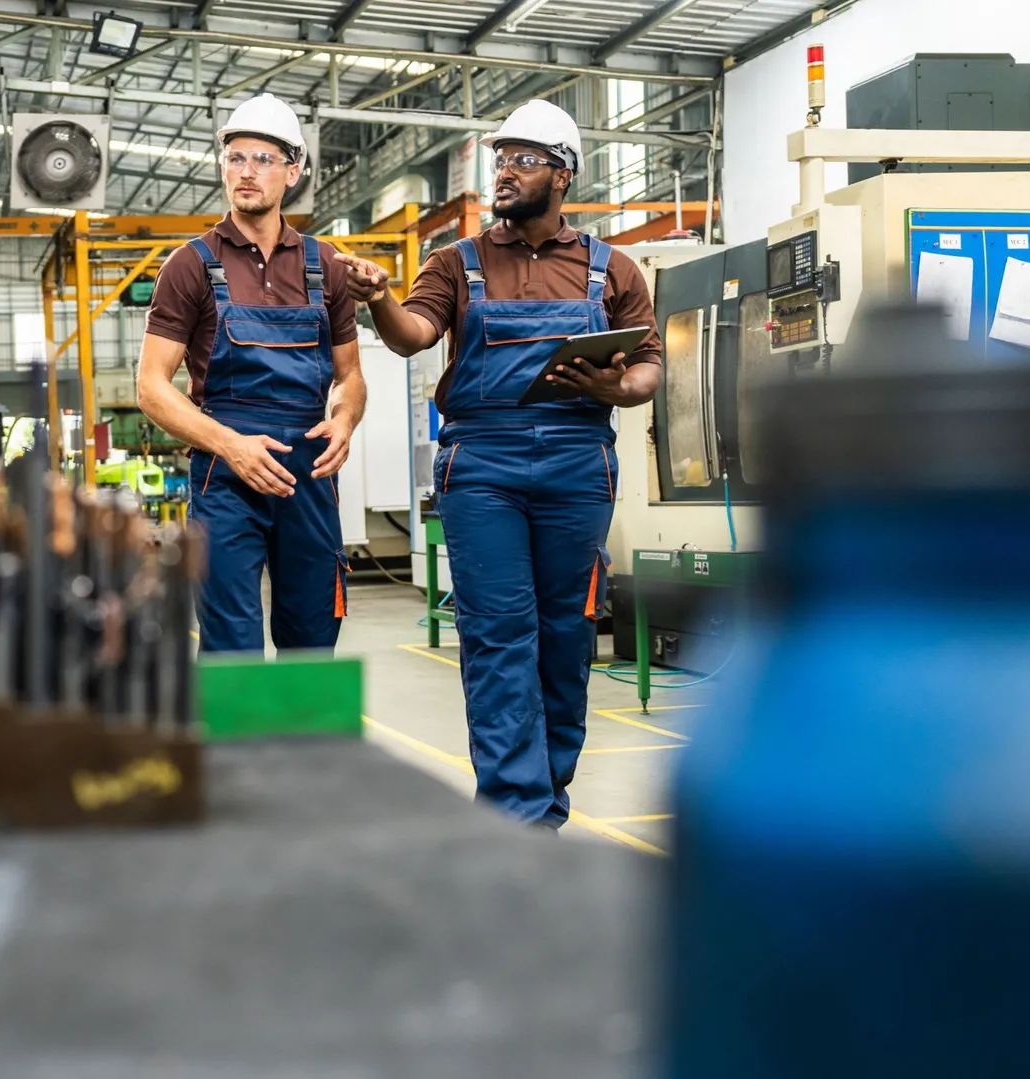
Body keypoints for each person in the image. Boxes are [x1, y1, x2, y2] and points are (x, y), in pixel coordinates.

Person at [338, 100, 662, 829]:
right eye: (500, 160)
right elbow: (412, 336)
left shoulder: (613, 269)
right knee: (498, 636)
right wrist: (383, 298)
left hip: (579, 464)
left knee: (566, 635)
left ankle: (546, 801)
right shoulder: (457, 262)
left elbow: (648, 369)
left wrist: (614, 386)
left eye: (522, 160)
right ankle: (514, 817)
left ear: (562, 173)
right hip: (482, 464)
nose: (504, 173)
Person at [136, 93, 366, 654]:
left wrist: (345, 420)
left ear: (293, 171)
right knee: (230, 642)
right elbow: (150, 386)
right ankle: (234, 747)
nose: (246, 171)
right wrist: (231, 446)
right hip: (225, 474)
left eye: (263, 160)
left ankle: (305, 745)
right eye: (235, 158)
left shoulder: (327, 265)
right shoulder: (190, 265)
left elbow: (351, 375)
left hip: (308, 472)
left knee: (312, 637)